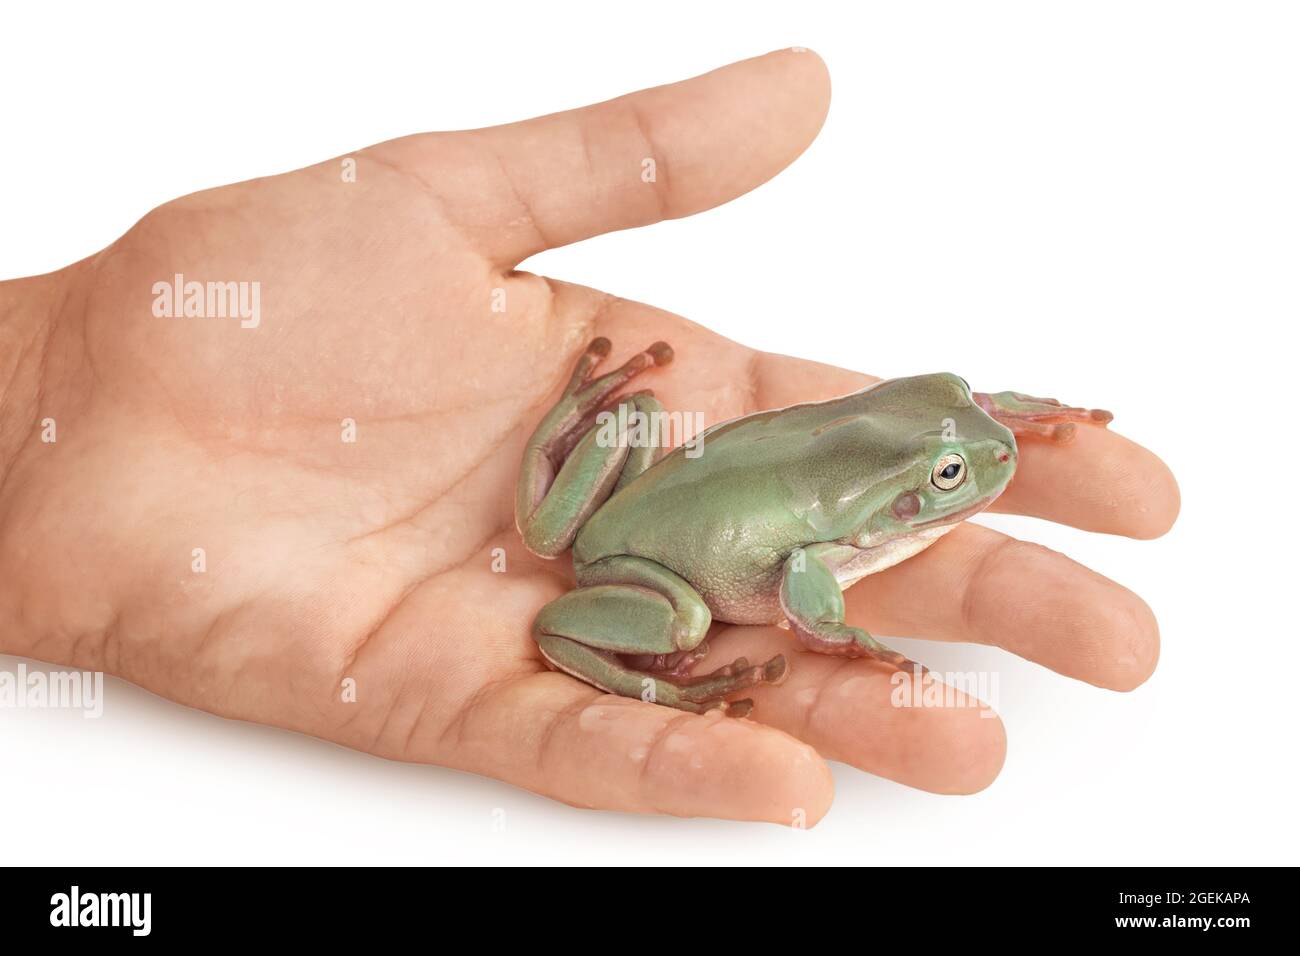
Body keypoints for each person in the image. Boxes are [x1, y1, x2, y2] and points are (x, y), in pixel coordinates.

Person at [0, 49, 1178, 825]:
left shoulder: (888, 447)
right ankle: (634, 667)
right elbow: (812, 587)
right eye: (951, 474)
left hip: (629, 495)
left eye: (954, 461)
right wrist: (841, 642)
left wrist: (1012, 414)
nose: (976, 458)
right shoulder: (833, 542)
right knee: (672, 616)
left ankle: (587, 420)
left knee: (663, 459)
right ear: (908, 501)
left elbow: (927, 419)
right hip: (643, 571)